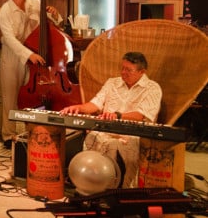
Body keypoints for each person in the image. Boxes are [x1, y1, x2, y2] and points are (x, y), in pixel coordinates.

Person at [59, 52, 161, 188]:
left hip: (132, 134)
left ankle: (115, 188)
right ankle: (91, 184)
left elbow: (142, 115)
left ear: (142, 72)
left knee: (115, 145)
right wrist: (78, 108)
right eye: (122, 68)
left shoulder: (152, 88)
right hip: (106, 130)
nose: (123, 72)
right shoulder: (112, 82)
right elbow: (95, 104)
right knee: (92, 136)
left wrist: (118, 115)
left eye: (128, 70)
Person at [0, 0, 63, 148]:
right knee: (10, 97)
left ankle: (33, 131)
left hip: (35, 53)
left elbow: (55, 24)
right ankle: (8, 136)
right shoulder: (5, 11)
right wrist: (28, 54)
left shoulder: (36, 2)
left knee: (33, 96)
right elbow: (9, 39)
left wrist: (55, 14)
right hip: (13, 55)